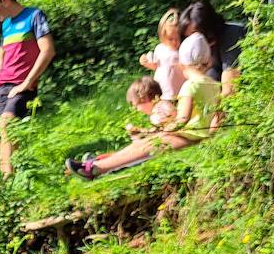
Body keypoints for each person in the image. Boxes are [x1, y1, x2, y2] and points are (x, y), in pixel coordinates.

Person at [64, 34, 222, 180]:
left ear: (182, 63)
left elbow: (182, 119)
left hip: (188, 136)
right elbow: (217, 117)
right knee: (143, 142)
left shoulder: (190, 86)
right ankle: (95, 163)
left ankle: (96, 169)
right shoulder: (216, 85)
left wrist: (164, 131)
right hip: (196, 135)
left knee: (147, 145)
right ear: (208, 61)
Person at [0, 0, 56, 179]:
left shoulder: (35, 16)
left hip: (23, 85)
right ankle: (8, 182)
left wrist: (27, 82)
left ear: (5, 1)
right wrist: (2, 73)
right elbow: (3, 51)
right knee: (0, 136)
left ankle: (10, 181)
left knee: (7, 125)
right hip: (1, 86)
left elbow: (48, 50)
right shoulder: (6, 24)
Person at [180, 0, 247, 97]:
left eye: (195, 33)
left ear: (208, 28)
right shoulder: (200, 48)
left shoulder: (231, 35)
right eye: (187, 36)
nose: (192, 40)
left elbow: (229, 89)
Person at [139, 9, 185, 101]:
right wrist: (145, 63)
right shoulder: (160, 48)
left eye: (178, 38)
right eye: (170, 39)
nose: (175, 42)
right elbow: (156, 66)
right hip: (162, 90)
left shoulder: (183, 49)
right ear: (163, 36)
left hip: (179, 91)